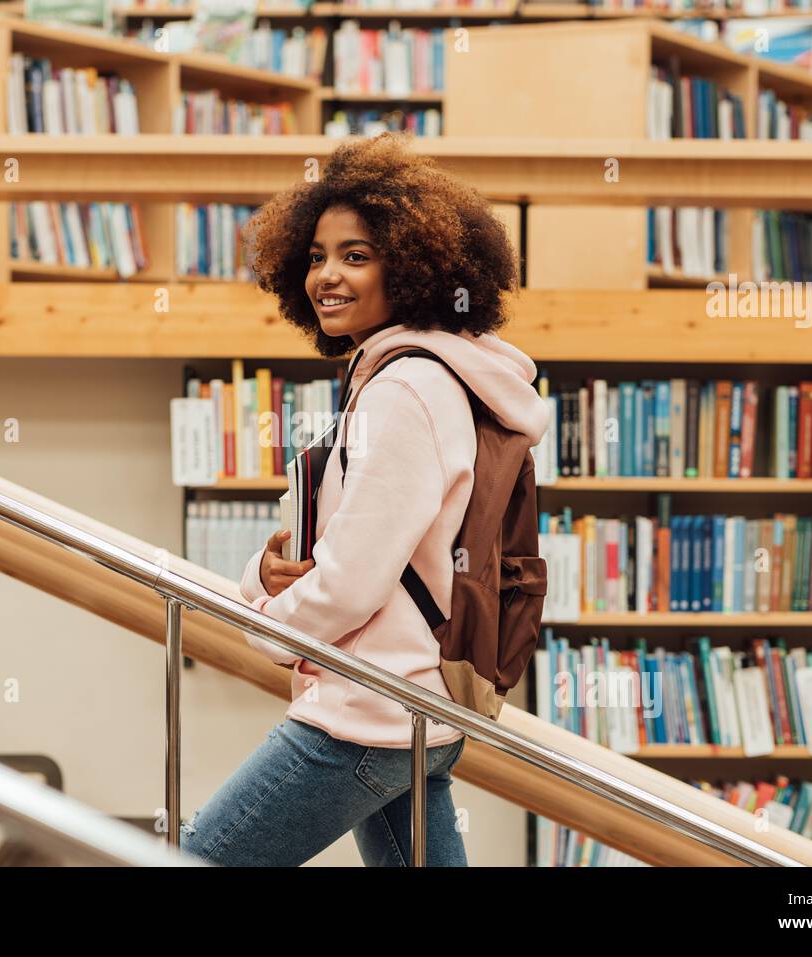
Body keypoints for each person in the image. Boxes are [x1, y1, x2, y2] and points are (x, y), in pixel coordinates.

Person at [178, 132, 549, 866]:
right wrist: (267, 574)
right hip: (414, 706)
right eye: (316, 256)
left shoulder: (407, 389)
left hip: (365, 715)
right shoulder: (417, 376)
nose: (326, 276)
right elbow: (345, 552)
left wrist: (257, 620)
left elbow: (351, 580)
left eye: (356, 255)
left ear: (413, 268)